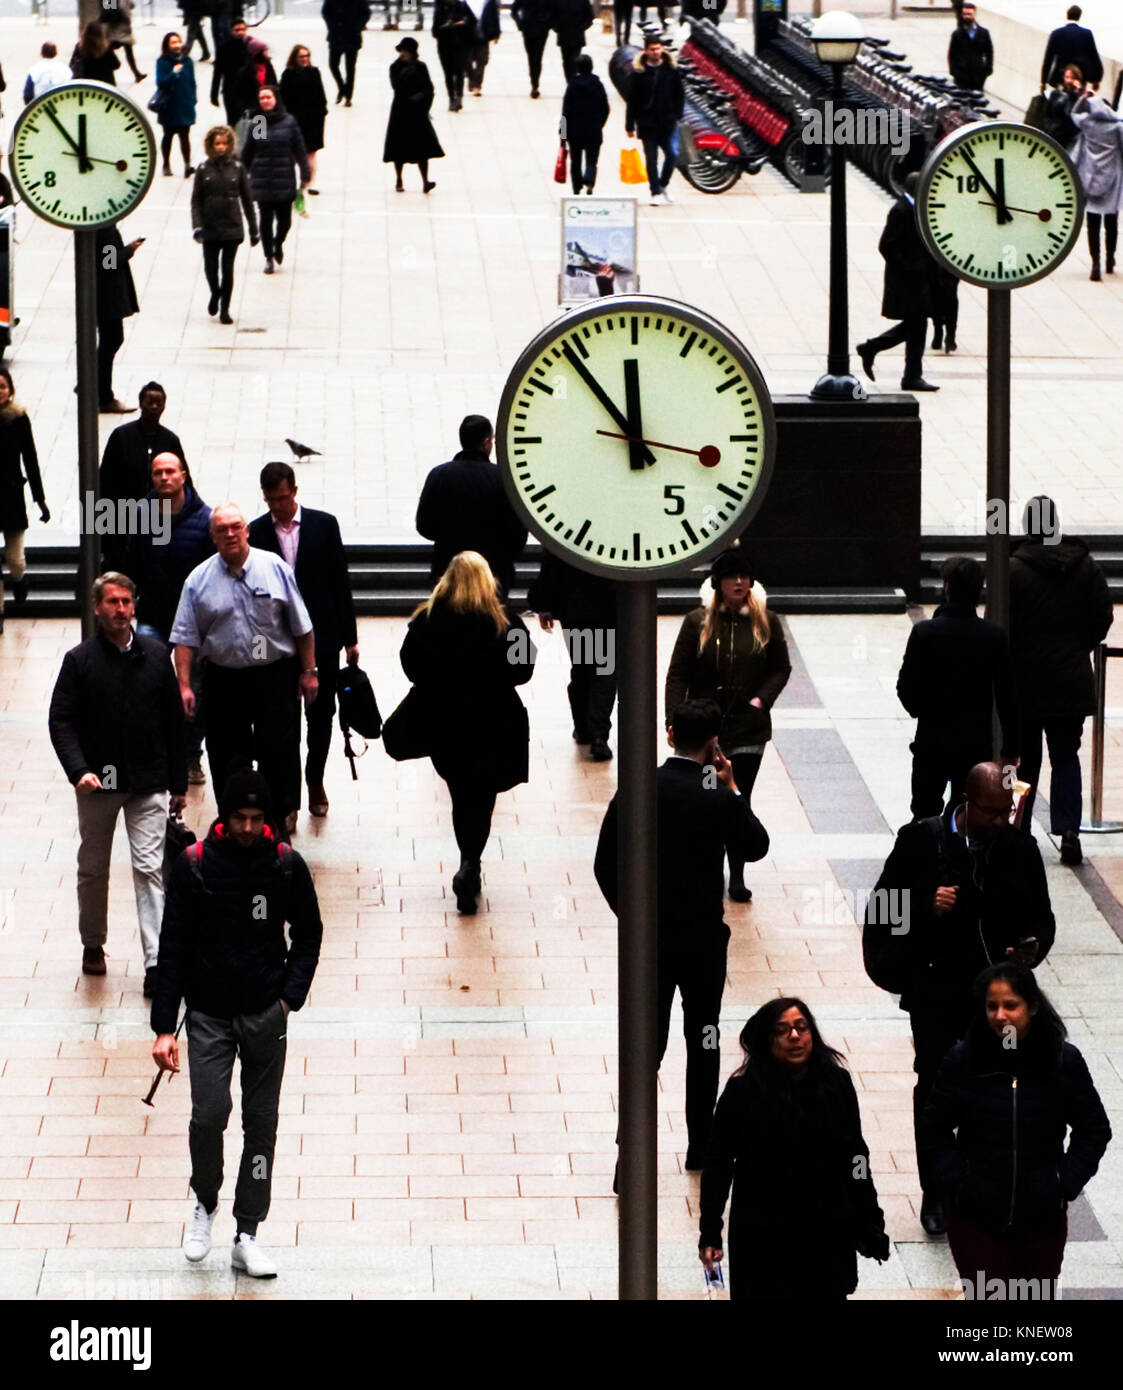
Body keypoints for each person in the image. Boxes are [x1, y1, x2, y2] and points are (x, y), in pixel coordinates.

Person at [866, 760, 1057, 1236]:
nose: (1000, 821)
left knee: (993, 1084)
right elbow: (883, 909)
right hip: (936, 991)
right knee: (934, 1088)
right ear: (966, 803)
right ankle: (936, 1188)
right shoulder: (920, 842)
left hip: (997, 998)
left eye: (1006, 812)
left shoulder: (1017, 847)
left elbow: (1042, 915)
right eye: (992, 812)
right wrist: (925, 907)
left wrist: (1033, 946)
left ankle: (979, 1182)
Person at [151, 767, 323, 1278]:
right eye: (238, 818)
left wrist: (288, 1000)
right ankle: (205, 1200)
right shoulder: (195, 866)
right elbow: (173, 946)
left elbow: (310, 933)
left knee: (260, 1125)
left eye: (256, 818)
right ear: (223, 817)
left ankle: (248, 1230)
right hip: (207, 1016)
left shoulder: (286, 866)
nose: (248, 828)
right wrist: (164, 1027)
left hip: (265, 1016)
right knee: (208, 1114)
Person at [595, 698, 770, 1177]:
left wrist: (631, 915)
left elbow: (604, 864)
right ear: (715, 743)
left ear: (670, 734)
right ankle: (700, 1143)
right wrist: (734, 790)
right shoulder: (715, 794)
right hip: (702, 943)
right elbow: (756, 845)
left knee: (645, 1046)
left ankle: (628, 1153)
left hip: (648, 942)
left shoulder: (638, 787)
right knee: (704, 1038)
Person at [919, 963, 1111, 1297]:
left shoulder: (1062, 1062)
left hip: (1042, 1218)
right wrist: (958, 1181)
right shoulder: (963, 1061)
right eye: (992, 1006)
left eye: (1011, 1005)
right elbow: (933, 1129)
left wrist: (1063, 1181)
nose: (1000, 1016)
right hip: (974, 1217)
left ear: (1032, 1006)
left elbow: (1093, 1129)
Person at [48, 573, 186, 996]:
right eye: (112, 602)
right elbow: (61, 721)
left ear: (134, 605)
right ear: (97, 607)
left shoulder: (156, 655)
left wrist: (177, 781)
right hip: (97, 784)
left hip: (148, 781)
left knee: (149, 869)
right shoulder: (79, 661)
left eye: (126, 601)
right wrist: (78, 770)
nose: (120, 609)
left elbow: (173, 722)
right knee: (93, 868)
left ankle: (156, 962)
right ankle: (93, 942)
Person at [699, 998, 890, 1299]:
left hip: (824, 1229)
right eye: (782, 1030)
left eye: (802, 1028)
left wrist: (870, 1220)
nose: (794, 1037)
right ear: (766, 1039)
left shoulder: (836, 1084)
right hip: (763, 1234)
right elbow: (718, 1165)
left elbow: (855, 1156)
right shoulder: (742, 1092)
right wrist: (710, 1230)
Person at [399, 551, 535, 914]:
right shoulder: (507, 622)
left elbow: (410, 665)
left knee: (461, 793)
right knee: (483, 796)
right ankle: (471, 862)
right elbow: (524, 671)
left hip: (447, 721)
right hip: (494, 721)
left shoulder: (427, 620)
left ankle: (468, 861)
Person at [170, 504, 318, 837]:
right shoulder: (199, 580)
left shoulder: (274, 568)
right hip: (225, 677)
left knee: (279, 747)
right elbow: (185, 638)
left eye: (236, 527)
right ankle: (231, 819)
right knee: (225, 750)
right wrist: (184, 685)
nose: (230, 534)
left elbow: (302, 627)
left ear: (247, 529)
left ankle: (279, 817)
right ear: (213, 536)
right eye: (222, 529)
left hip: (273, 674)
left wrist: (309, 671)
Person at [664, 547, 791, 903]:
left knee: (738, 795)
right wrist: (673, 718)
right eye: (732, 577)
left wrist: (760, 699)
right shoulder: (697, 622)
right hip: (708, 733)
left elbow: (781, 666)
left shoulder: (766, 620)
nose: (740, 582)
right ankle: (709, 864)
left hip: (749, 731)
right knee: (709, 794)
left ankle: (737, 873)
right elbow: (678, 674)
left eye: (745, 577)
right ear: (717, 583)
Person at [249, 462, 359, 819]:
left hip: (322, 636)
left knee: (321, 715)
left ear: (294, 491)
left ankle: (315, 779)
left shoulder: (324, 525)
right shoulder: (256, 532)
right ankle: (287, 797)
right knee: (282, 723)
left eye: (282, 498)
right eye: (270, 501)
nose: (277, 506)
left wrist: (350, 638)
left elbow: (340, 581)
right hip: (278, 642)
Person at [1009, 496, 1113, 864]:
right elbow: (1103, 616)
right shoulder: (1084, 566)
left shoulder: (1013, 570)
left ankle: (1016, 829)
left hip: (1024, 683)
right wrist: (1078, 646)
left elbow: (1000, 623)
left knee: (1023, 761)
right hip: (1070, 680)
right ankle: (1069, 829)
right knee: (1066, 757)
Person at [896, 555, 1018, 820]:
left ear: (947, 587)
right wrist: (1010, 748)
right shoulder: (993, 636)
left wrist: (921, 710)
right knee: (968, 812)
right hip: (975, 742)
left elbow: (906, 688)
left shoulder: (925, 633)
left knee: (925, 812)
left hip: (932, 740)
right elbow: (1007, 695)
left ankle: (929, 859)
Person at [124, 452, 213, 785]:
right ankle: (156, 751)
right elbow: (133, 562)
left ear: (183, 476)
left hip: (195, 622)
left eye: (169, 472)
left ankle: (192, 754)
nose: (163, 477)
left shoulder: (204, 519)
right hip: (155, 615)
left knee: (195, 688)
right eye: (157, 472)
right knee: (149, 683)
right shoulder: (142, 516)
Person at [415, 414, 527, 595]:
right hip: (493, 573)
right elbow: (518, 533)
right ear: (487, 441)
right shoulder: (504, 479)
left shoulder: (438, 475)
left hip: (448, 571)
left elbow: (424, 526)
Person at [528, 551, 616, 760]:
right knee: (605, 670)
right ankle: (598, 734)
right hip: (608, 604)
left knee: (582, 668)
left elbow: (552, 562)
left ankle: (584, 727)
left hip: (575, 605)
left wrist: (544, 605)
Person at [857, 171, 937, 392]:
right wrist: (910, 268)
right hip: (906, 282)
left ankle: (906, 371)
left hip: (917, 280)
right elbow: (887, 245)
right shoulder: (901, 211)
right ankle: (907, 373)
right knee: (917, 326)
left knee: (916, 326)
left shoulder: (915, 209)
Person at [98, 383, 188, 573]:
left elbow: (185, 482)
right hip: (123, 519)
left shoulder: (170, 440)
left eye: (159, 403)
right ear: (141, 404)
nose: (154, 407)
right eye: (150, 402)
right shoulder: (121, 437)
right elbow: (105, 481)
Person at [192, 123, 260, 323]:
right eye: (217, 144)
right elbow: (196, 200)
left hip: (232, 227)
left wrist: (254, 230)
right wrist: (197, 226)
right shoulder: (203, 169)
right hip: (210, 227)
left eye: (224, 143)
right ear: (211, 145)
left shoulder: (238, 168)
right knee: (210, 268)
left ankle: (225, 309)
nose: (221, 147)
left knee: (228, 269)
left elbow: (248, 201)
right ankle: (215, 292)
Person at [240, 85, 310, 275]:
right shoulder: (259, 121)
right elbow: (250, 150)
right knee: (265, 220)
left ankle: (278, 243)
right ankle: (269, 256)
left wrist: (305, 172)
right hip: (262, 178)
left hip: (284, 178)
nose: (265, 101)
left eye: (268, 97)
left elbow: (299, 148)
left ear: (275, 99)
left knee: (285, 222)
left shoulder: (288, 121)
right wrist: (240, 173)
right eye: (262, 98)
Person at [0, 369, 49, 635]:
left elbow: (30, 458)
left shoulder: (18, 419)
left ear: (10, 390)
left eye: (3, 386)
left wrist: (39, 499)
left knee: (15, 558)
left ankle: (19, 579)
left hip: (10, 496)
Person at [625, 33, 685, 207]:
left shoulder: (671, 70)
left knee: (672, 155)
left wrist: (677, 115)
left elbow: (679, 95)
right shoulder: (639, 73)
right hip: (647, 122)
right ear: (646, 51)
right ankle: (655, 191)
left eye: (658, 48)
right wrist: (630, 125)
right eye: (652, 49)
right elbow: (632, 101)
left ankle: (663, 183)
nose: (656, 52)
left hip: (667, 121)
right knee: (651, 159)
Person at [1070, 87, 1123, 280]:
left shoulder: (1088, 124)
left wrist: (1084, 98)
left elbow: (1074, 113)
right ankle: (1110, 259)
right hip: (1112, 179)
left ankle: (1095, 263)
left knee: (1092, 223)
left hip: (1090, 177)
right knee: (1111, 222)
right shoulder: (1117, 127)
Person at [95, 224, 145, 415]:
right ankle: (102, 394)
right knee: (112, 340)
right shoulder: (105, 230)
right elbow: (110, 262)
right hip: (108, 297)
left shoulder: (100, 227)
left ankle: (92, 384)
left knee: (110, 341)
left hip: (103, 295)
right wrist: (130, 249)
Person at [280, 46, 329, 194]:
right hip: (295, 119)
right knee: (293, 153)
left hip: (313, 119)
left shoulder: (314, 72)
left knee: (311, 152)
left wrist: (322, 112)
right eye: (301, 56)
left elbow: (321, 95)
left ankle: (309, 183)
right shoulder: (288, 74)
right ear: (294, 57)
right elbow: (284, 97)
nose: (305, 59)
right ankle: (290, 181)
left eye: (307, 55)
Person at [561, 54, 610, 195]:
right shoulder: (598, 85)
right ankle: (589, 180)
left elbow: (565, 111)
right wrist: (600, 124)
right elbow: (605, 108)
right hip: (593, 129)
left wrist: (563, 135)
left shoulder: (572, 85)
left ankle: (576, 187)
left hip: (574, 131)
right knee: (592, 159)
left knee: (575, 160)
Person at [155, 32, 199, 178]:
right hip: (169, 105)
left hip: (184, 103)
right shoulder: (163, 62)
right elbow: (161, 82)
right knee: (168, 135)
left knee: (185, 136)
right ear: (167, 46)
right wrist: (173, 73)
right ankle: (166, 163)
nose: (177, 45)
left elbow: (192, 82)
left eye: (178, 42)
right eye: (173, 43)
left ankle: (187, 164)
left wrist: (193, 98)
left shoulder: (188, 61)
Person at [1041, 5, 1102, 93]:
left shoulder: (1056, 33)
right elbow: (1094, 57)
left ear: (1067, 15)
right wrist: (1097, 79)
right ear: (1079, 16)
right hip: (1079, 79)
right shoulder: (1087, 34)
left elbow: (1048, 60)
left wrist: (1043, 81)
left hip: (1060, 78)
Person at [322, 0, 372, 107]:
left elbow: (366, 13)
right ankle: (341, 88)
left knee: (350, 68)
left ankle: (348, 96)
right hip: (336, 34)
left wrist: (357, 27)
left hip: (352, 35)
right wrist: (331, 25)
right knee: (333, 64)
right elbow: (325, 11)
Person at [432, 0, 473, 113]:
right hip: (445, 47)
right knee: (448, 74)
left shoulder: (463, 6)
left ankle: (459, 98)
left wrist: (462, 24)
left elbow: (472, 22)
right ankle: (451, 98)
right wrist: (445, 26)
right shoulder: (440, 8)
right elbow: (434, 31)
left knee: (459, 72)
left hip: (461, 46)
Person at [230, 38, 278, 127]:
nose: (267, 53)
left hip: (270, 111)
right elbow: (236, 94)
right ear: (257, 52)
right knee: (260, 137)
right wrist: (244, 110)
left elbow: (275, 86)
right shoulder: (245, 71)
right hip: (255, 113)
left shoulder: (268, 67)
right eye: (264, 50)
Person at [211, 17, 250, 127]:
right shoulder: (224, 47)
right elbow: (218, 72)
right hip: (230, 90)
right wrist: (214, 94)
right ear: (232, 31)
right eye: (237, 30)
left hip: (249, 90)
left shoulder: (251, 45)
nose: (240, 32)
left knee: (253, 122)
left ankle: (254, 143)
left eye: (243, 29)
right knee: (233, 121)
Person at [511, 0, 553, 99]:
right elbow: (514, 10)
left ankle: (535, 85)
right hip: (528, 28)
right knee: (531, 57)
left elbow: (554, 9)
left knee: (537, 57)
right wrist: (520, 23)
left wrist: (549, 24)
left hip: (541, 30)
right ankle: (534, 82)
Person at [948, 3, 993, 92]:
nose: (967, 17)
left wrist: (987, 71)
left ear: (974, 14)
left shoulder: (984, 33)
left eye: (969, 14)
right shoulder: (957, 34)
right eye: (965, 14)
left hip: (978, 76)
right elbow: (952, 54)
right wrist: (954, 72)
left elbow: (989, 53)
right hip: (961, 76)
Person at [101, 0, 146, 84]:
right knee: (108, 49)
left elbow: (131, 5)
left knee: (128, 51)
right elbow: (108, 13)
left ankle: (136, 74)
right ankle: (136, 73)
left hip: (122, 29)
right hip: (117, 29)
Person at [553, 0, 593, 85]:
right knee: (566, 61)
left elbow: (590, 17)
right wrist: (557, 28)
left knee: (574, 61)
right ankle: (569, 81)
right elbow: (553, 14)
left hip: (576, 35)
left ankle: (572, 82)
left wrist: (582, 27)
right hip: (564, 34)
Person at [466, 0, 500, 98]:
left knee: (481, 60)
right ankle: (471, 78)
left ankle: (477, 85)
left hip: (483, 34)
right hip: (466, 34)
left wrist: (496, 34)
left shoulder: (489, 2)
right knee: (466, 61)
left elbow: (495, 16)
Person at [1046, 63, 1085, 148]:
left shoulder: (1080, 99)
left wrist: (1075, 93)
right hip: (1052, 132)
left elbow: (1071, 116)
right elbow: (1048, 112)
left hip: (1067, 139)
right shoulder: (1057, 93)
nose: (1069, 81)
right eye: (1067, 77)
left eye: (1072, 78)